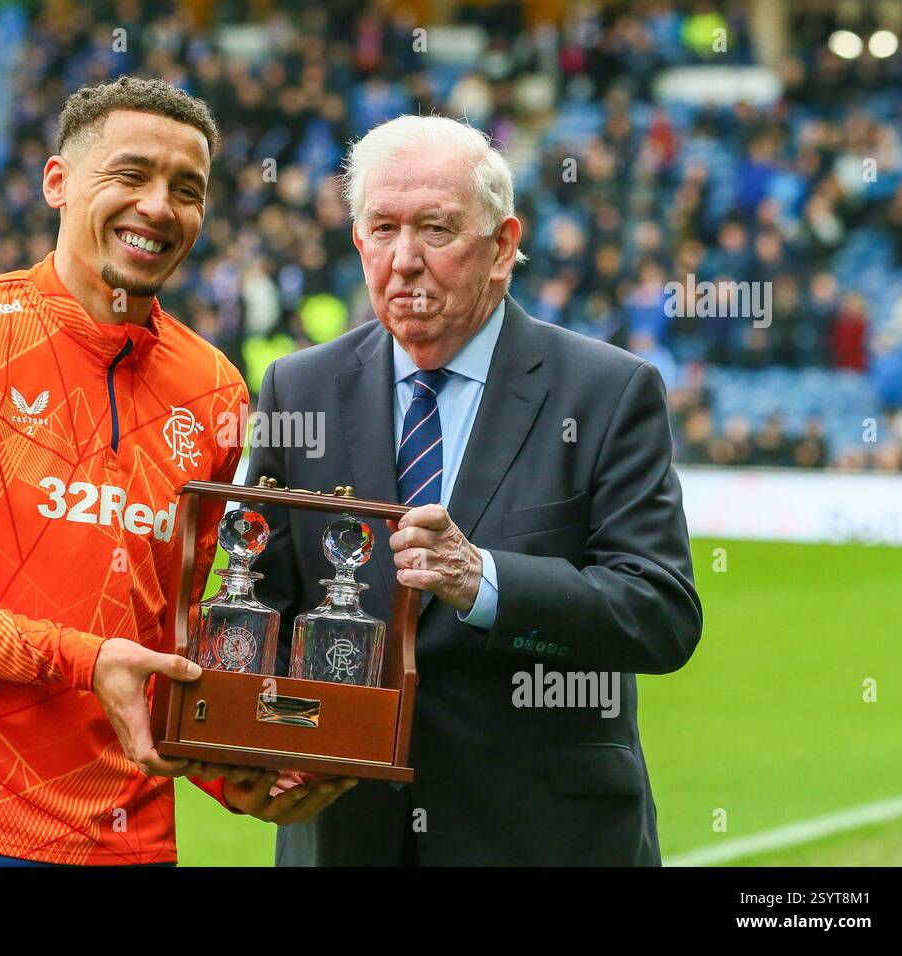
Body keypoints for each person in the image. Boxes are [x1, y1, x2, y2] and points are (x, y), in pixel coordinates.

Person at [0, 77, 345, 867]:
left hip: (129, 840)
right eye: (130, 175)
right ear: (58, 183)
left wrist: (227, 768)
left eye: (186, 189)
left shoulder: (215, 392)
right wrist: (81, 658)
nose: (159, 207)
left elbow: (165, 632)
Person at [249, 115, 703, 865]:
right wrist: (258, 738)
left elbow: (661, 613)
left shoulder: (607, 392)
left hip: (544, 838)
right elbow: (260, 597)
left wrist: (484, 580)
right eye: (382, 228)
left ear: (502, 246)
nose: (404, 260)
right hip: (346, 833)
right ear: (357, 240)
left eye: (436, 229)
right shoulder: (299, 386)